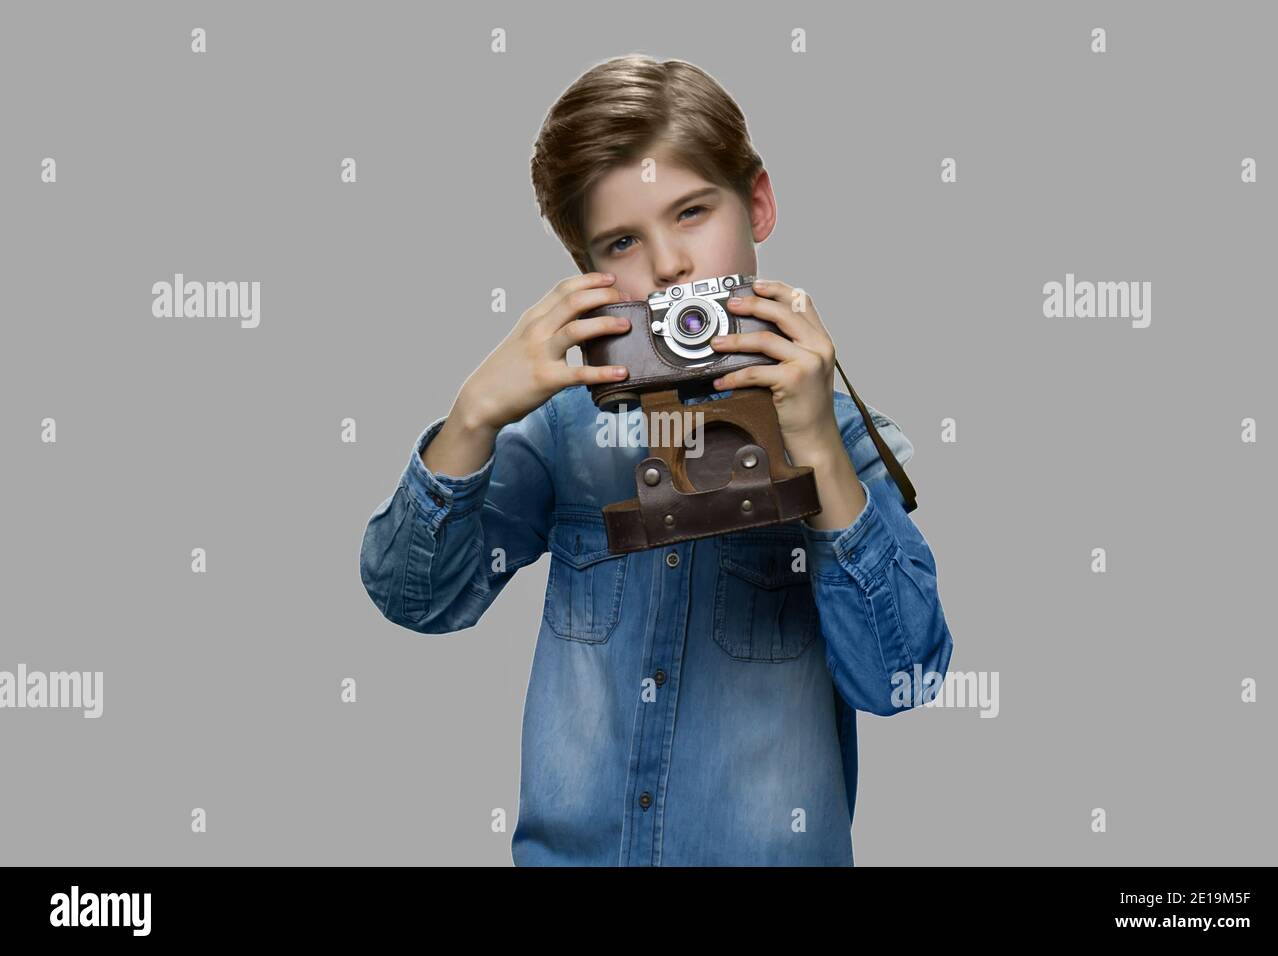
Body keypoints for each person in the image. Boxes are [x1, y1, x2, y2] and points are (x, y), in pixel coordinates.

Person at [359, 54, 954, 866]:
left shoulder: (845, 433)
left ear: (759, 204)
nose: (670, 266)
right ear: (587, 275)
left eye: (692, 212)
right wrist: (473, 416)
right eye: (622, 241)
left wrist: (816, 451)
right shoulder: (564, 428)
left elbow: (901, 681)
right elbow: (413, 599)